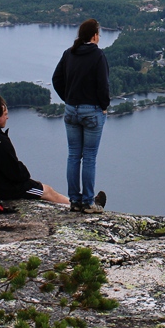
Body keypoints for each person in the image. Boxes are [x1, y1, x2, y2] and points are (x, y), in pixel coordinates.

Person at [0, 94, 68, 206]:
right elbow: (15, 173)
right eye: (5, 114)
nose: (7, 117)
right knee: (48, 191)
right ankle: (76, 208)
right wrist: (25, 173)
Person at [52, 18, 110, 214]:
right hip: (92, 112)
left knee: (74, 155)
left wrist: (67, 98)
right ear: (94, 36)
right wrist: (104, 106)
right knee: (90, 157)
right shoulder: (98, 56)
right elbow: (103, 86)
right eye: (98, 34)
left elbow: (56, 79)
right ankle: (88, 202)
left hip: (71, 110)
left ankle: (74, 201)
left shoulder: (69, 53)